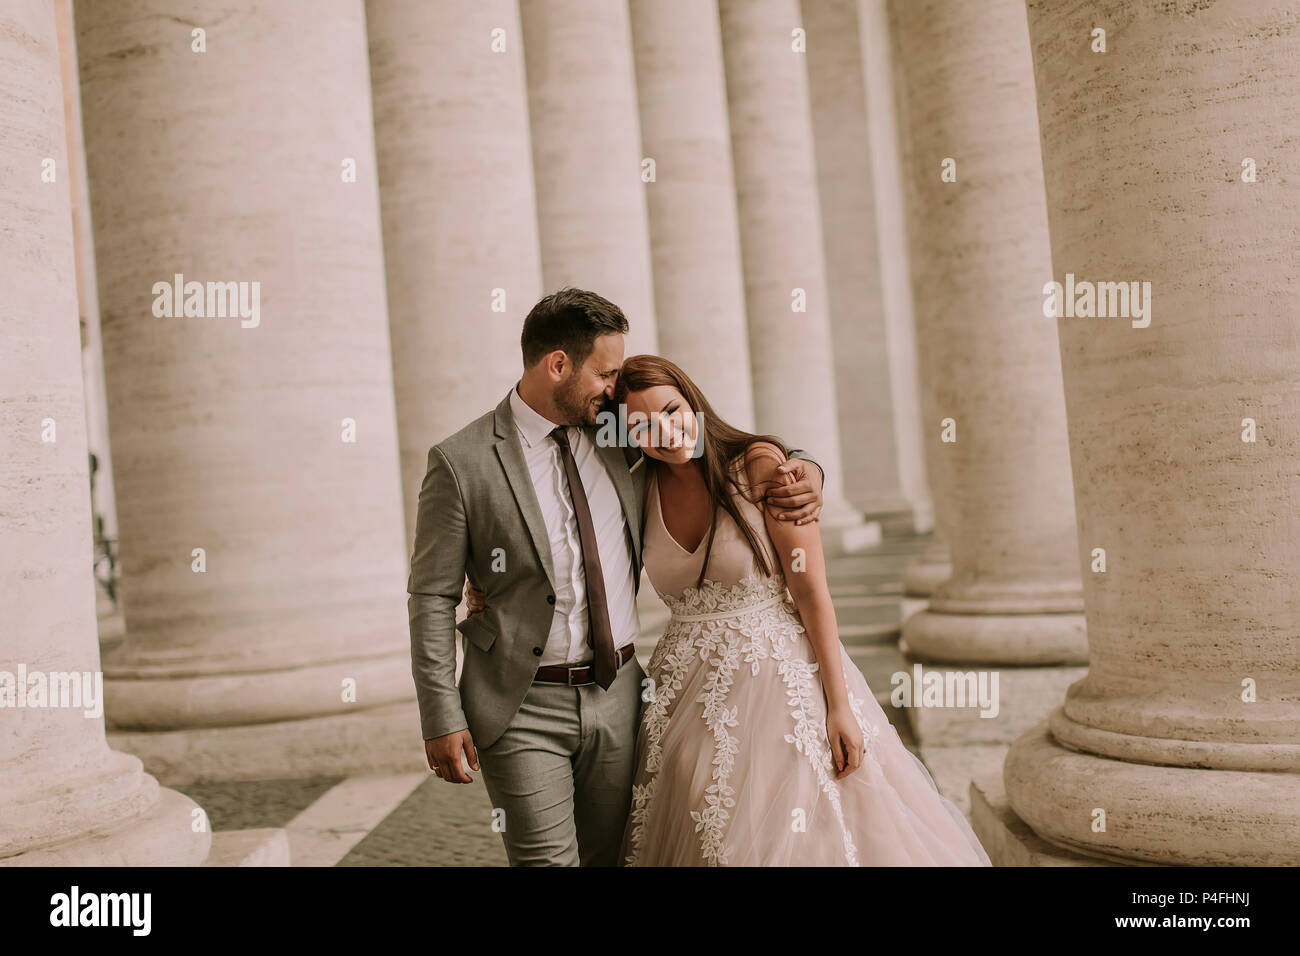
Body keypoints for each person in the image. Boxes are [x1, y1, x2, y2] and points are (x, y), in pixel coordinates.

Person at [407, 288, 826, 866]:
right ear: (558, 365)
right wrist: (440, 713)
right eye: (605, 372)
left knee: (616, 858)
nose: (614, 386)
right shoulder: (462, 461)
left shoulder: (619, 437)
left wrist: (804, 469)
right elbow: (431, 595)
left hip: (622, 694)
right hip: (521, 701)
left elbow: (702, 448)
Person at [607, 353, 992, 866]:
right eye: (642, 425)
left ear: (692, 400)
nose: (666, 431)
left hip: (779, 680)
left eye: (672, 410)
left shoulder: (760, 466)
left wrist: (839, 706)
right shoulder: (637, 488)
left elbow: (812, 593)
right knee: (705, 822)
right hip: (683, 692)